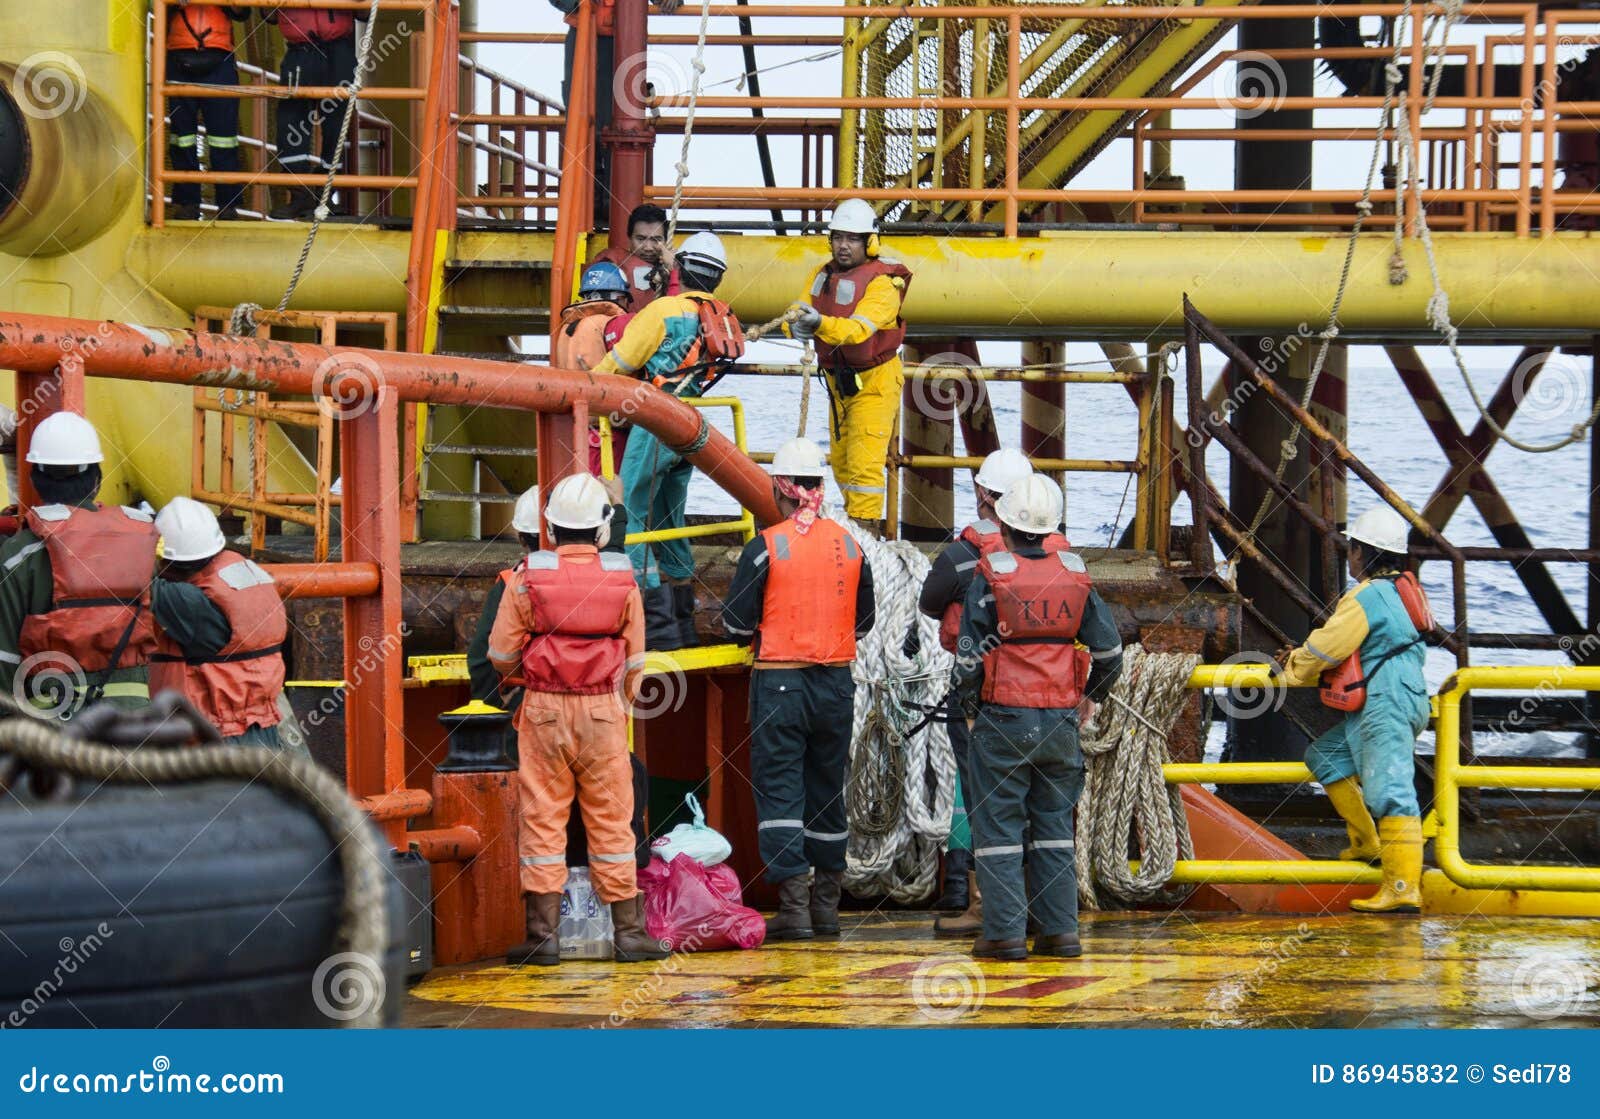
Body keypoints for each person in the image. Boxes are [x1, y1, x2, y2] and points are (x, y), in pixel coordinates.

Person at [489, 473, 666, 966]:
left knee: (542, 819)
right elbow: (636, 662)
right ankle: (628, 934)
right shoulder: (622, 579)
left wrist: (529, 674)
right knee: (613, 819)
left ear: (550, 527)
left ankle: (542, 938)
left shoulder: (528, 577)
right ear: (602, 529)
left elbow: (499, 653)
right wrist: (616, 704)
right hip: (603, 711)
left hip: (544, 709)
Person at [953, 475, 1123, 961]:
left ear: (1004, 526)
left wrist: (969, 709)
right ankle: (1060, 932)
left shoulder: (991, 574)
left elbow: (968, 660)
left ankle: (1005, 935)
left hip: (1003, 720)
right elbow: (1111, 654)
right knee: (1054, 828)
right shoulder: (1075, 574)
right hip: (1060, 722)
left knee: (999, 830)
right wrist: (1088, 698)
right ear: (1052, 530)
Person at [721, 438, 876, 942]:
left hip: (781, 685)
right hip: (836, 684)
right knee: (827, 788)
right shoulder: (850, 545)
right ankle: (826, 907)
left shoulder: (765, 547)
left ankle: (794, 909)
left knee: (781, 787)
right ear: (818, 488)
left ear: (779, 489)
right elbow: (865, 623)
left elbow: (736, 625)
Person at [1278, 506, 1432, 914]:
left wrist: (1292, 667)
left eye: (1353, 549)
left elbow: (1328, 645)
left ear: (1362, 552)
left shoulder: (1367, 596)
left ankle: (1402, 888)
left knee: (1390, 790)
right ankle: (1368, 843)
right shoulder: (1401, 590)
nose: (1350, 556)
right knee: (1325, 757)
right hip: (1407, 694)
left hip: (1385, 701)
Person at [908, 447, 1036, 936]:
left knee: (982, 797)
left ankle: (982, 905)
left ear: (983, 493)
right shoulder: (1051, 556)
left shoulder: (965, 556)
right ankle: (1037, 906)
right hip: (1041, 699)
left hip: (980, 697)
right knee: (1034, 801)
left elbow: (929, 602)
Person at [593, 231, 733, 650]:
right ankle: (683, 621)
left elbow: (618, 363)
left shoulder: (663, 310)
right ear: (718, 278)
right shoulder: (719, 314)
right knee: (671, 518)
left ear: (679, 268)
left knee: (632, 511)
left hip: (656, 419)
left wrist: (582, 384)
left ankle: (655, 624)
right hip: (693, 424)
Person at [0, 413, 158, 717]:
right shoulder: (141, 544)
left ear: (35, 479)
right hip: (135, 722)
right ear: (97, 479)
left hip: (54, 725)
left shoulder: (20, 554)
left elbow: (5, 658)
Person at [787, 198, 912, 529]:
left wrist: (817, 324)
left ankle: (866, 541)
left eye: (853, 238)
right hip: (839, 384)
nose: (843, 245)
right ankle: (851, 536)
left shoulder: (884, 283)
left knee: (863, 471)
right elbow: (799, 309)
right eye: (838, 237)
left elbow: (857, 331)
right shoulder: (821, 274)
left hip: (875, 384)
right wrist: (793, 326)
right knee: (842, 465)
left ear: (869, 242)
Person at [148, 497, 288, 747]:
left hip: (216, 736)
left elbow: (137, 581)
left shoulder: (189, 602)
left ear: (167, 559)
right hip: (263, 726)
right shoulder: (245, 573)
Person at [268, 5, 361, 220]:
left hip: (339, 51)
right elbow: (268, 14)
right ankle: (299, 195)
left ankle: (325, 193)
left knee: (338, 125)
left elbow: (364, 11)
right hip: (299, 52)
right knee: (291, 124)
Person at [164, 3, 248, 221]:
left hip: (220, 59)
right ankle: (188, 203)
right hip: (179, 58)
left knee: (224, 138)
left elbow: (243, 11)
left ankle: (227, 205)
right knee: (182, 137)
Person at [589, 204, 679, 311]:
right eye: (640, 239)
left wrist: (674, 269)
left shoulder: (681, 268)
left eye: (656, 240)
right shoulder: (610, 262)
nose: (648, 247)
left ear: (666, 240)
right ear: (629, 238)